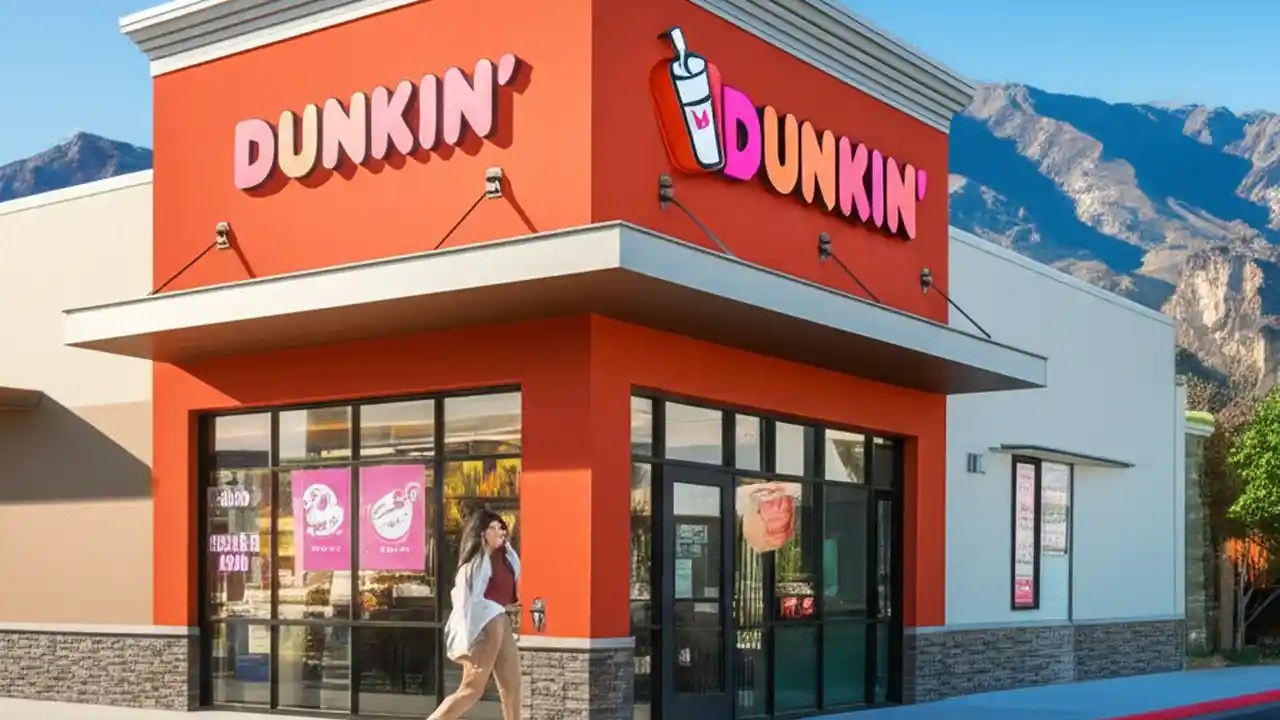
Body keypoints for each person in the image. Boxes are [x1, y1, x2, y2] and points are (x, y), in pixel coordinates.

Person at [430, 508, 522, 720]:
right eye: (493, 527)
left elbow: (504, 594)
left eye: (501, 526)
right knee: (472, 687)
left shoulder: (508, 558)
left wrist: (506, 608)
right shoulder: (473, 566)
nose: (500, 531)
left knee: (512, 686)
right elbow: (466, 604)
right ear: (481, 534)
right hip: (486, 623)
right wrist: (469, 636)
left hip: (501, 620)